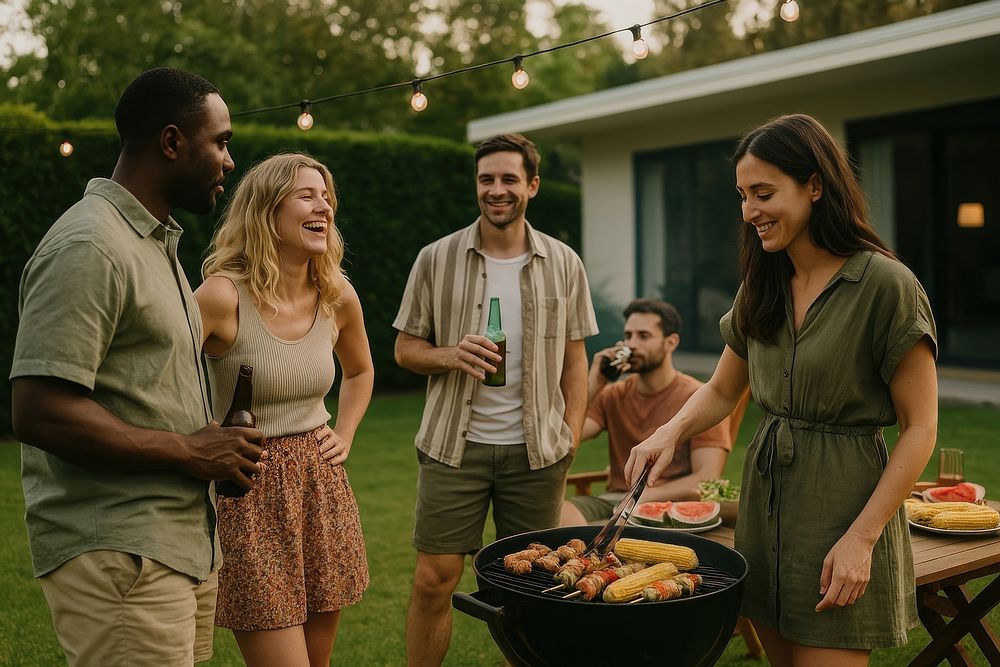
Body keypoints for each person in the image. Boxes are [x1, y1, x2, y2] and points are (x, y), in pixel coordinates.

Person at [625, 114, 938, 665]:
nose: (750, 212)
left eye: (764, 193)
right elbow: (723, 390)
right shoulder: (762, 284)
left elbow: (921, 428)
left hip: (843, 507)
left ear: (814, 185)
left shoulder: (886, 285)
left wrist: (861, 539)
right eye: (743, 195)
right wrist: (666, 434)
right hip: (765, 507)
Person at [10, 67, 264, 665]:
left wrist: (215, 445)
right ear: (172, 142)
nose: (229, 161)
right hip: (122, 553)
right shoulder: (90, 246)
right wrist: (191, 451)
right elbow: (40, 412)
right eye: (220, 141)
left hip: (176, 546)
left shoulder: (154, 243)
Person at [394, 133, 598, 666]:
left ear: (531, 185)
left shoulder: (564, 262)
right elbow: (404, 349)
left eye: (509, 179)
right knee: (434, 580)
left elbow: (576, 360)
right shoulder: (435, 258)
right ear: (477, 185)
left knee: (535, 587)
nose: (497, 190)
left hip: (536, 454)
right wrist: (450, 355)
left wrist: (570, 432)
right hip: (453, 448)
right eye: (487, 179)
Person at [195, 152, 374, 667]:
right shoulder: (221, 295)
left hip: (321, 486)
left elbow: (361, 372)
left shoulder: (337, 295)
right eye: (307, 195)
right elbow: (164, 380)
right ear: (266, 210)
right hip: (248, 493)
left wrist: (346, 432)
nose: (324, 206)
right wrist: (203, 437)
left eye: (327, 197)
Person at [560, 298, 735, 526]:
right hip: (616, 498)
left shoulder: (699, 399)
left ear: (670, 342)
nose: (631, 344)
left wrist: (642, 497)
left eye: (643, 336)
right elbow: (567, 435)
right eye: (628, 335)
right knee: (560, 513)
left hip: (675, 502)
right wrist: (595, 380)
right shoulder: (613, 394)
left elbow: (706, 478)